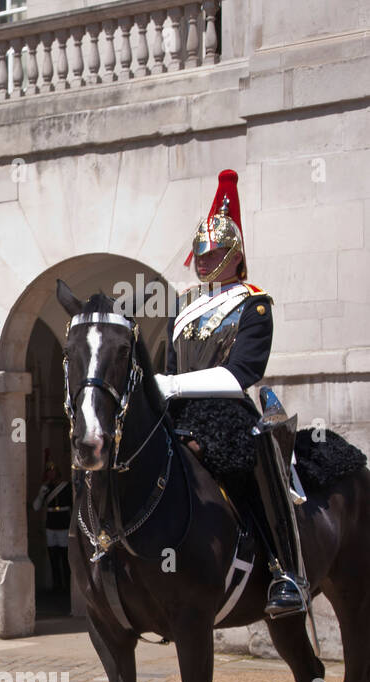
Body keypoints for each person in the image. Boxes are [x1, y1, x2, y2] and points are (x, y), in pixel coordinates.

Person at [153, 168, 307, 617]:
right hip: (177, 415)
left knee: (258, 465)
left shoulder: (253, 304)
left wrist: (174, 385)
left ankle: (285, 572)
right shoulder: (183, 311)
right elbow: (166, 370)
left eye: (214, 251)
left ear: (235, 255)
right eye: (200, 252)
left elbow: (242, 373)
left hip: (228, 414)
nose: (203, 260)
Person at [31, 452, 71, 595]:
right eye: (49, 471)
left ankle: (67, 585)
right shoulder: (45, 488)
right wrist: (41, 493)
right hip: (51, 526)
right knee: (53, 558)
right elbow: (36, 507)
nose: (51, 474)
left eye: (53, 471)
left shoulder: (66, 486)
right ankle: (57, 585)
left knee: (65, 557)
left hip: (64, 524)